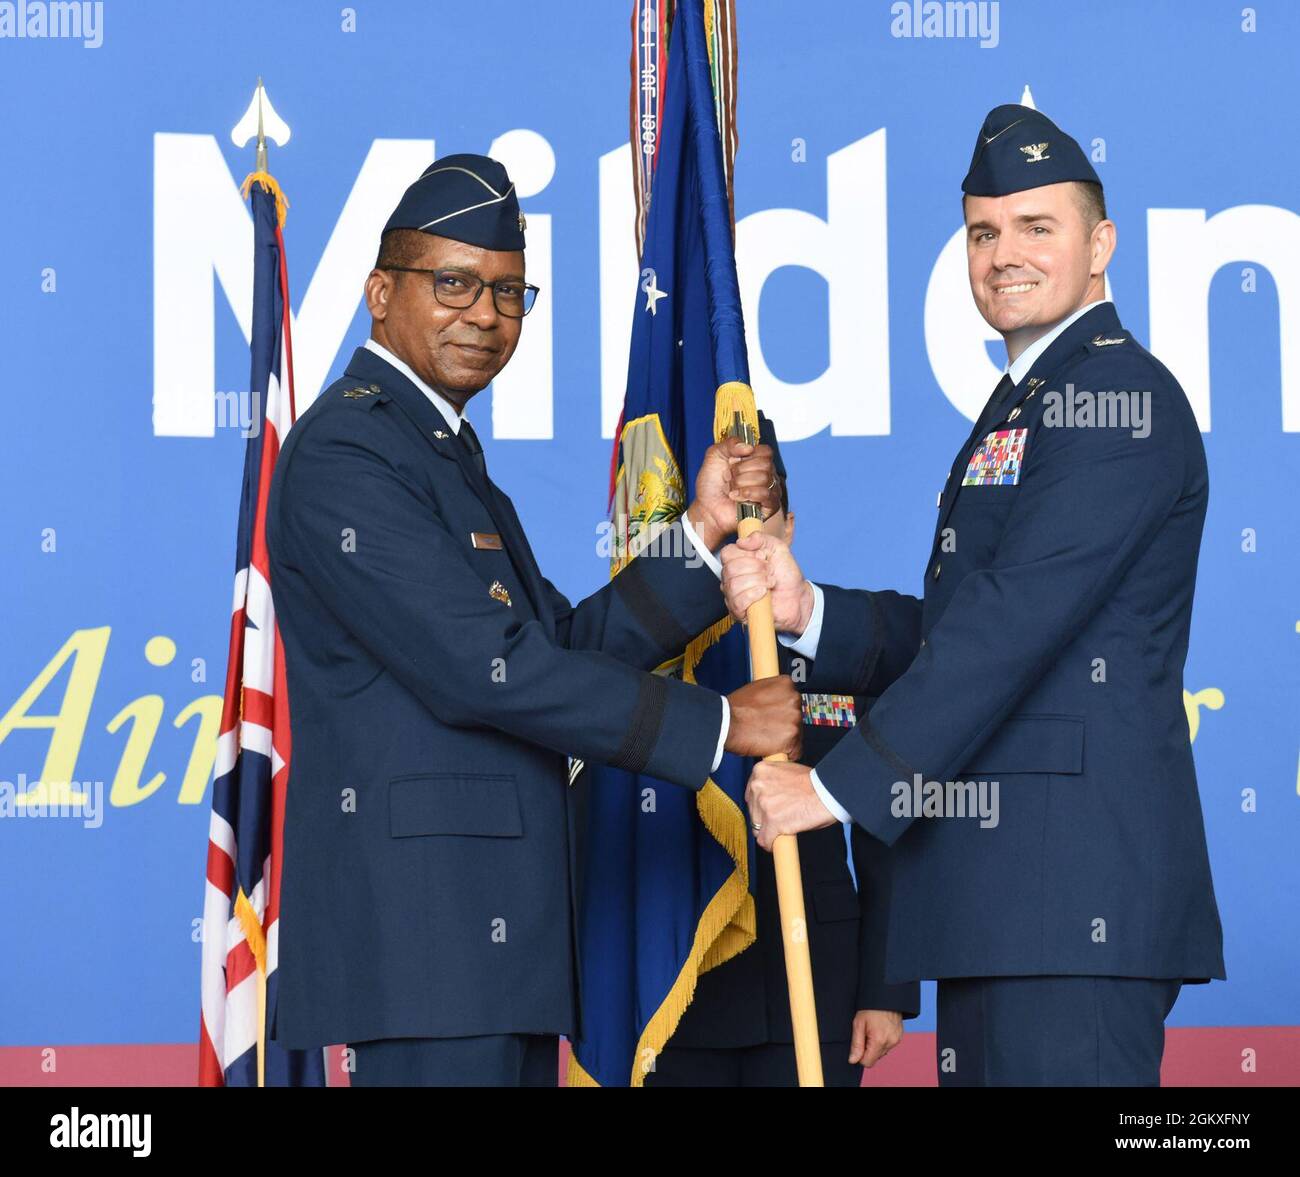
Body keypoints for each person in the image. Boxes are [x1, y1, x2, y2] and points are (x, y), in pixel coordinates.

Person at [265, 154, 801, 1087]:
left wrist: (702, 534)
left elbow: (558, 645)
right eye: (455, 283)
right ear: (379, 293)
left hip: (490, 958)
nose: (484, 314)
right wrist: (719, 724)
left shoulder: (440, 450)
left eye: (509, 293)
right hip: (424, 957)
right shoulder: (349, 448)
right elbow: (489, 668)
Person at [720, 105, 1225, 1087]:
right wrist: (808, 610)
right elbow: (966, 625)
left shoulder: (1120, 401)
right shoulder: (1027, 401)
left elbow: (1007, 631)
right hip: (1001, 904)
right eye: (984, 231)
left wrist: (830, 789)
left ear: (1100, 244)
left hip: (1071, 907)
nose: (1004, 254)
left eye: (1037, 226)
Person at [646, 467, 920, 1087]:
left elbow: (885, 829)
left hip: (817, 975)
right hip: (682, 979)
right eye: (725, 525)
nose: (741, 544)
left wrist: (884, 987)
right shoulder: (651, 659)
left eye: (759, 519)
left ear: (788, 529)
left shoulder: (841, 646)